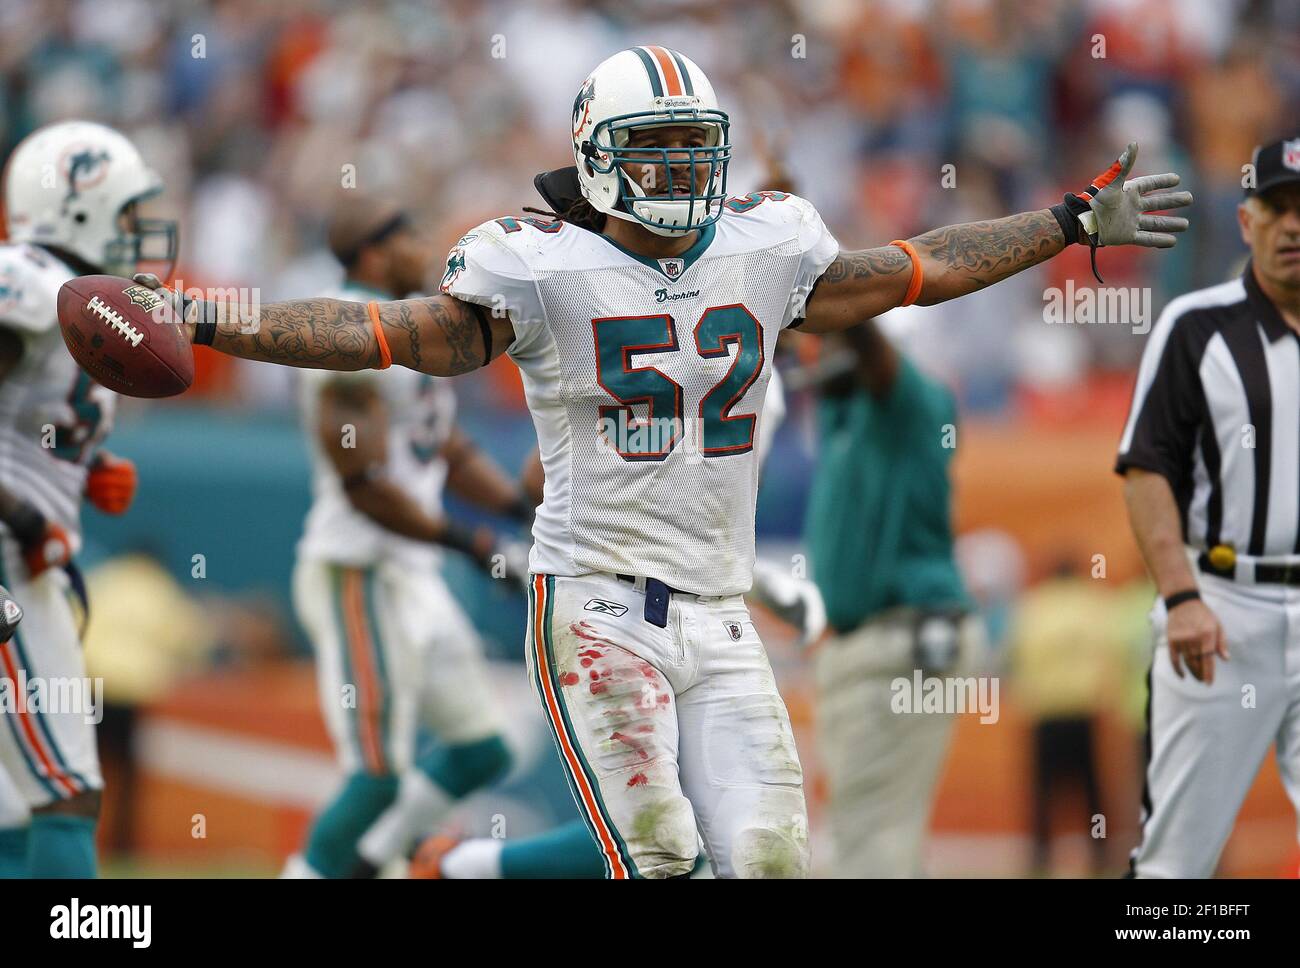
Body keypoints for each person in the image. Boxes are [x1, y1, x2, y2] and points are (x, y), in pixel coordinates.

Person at [128, 46, 1191, 878]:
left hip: (721, 611)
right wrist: (217, 318)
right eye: (656, 149)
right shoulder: (539, 265)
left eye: (696, 147)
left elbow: (913, 269)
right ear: (597, 155)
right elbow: (382, 331)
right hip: (594, 601)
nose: (683, 171)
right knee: (656, 856)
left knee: (772, 858)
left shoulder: (764, 244)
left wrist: (1061, 223)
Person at [282, 195, 526, 878]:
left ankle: (369, 861)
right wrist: (471, 543)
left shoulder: (411, 324)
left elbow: (439, 442)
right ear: (371, 250)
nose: (424, 244)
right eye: (408, 232)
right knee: (377, 776)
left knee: (484, 749)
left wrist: (515, 508)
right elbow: (366, 486)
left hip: (409, 571)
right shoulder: (347, 329)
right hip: (357, 567)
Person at [1118, 135, 1300, 877]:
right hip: (1223, 604)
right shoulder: (1197, 327)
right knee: (1177, 865)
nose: (1294, 226)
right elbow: (1146, 468)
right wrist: (1182, 595)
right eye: (1278, 207)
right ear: (1246, 219)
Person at [0, 121, 169, 877]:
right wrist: (25, 507)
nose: (140, 236)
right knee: (64, 789)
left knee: (15, 806)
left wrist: (74, 465)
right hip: (10, 559)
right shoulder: (26, 280)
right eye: (129, 214)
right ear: (77, 205)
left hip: (26, 561)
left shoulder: (84, 304)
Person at [802, 315, 983, 877]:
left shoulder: (912, 403)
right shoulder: (850, 412)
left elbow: (868, 343)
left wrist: (845, 292)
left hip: (901, 640)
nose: (822, 357)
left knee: (871, 841)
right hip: (877, 642)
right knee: (883, 837)